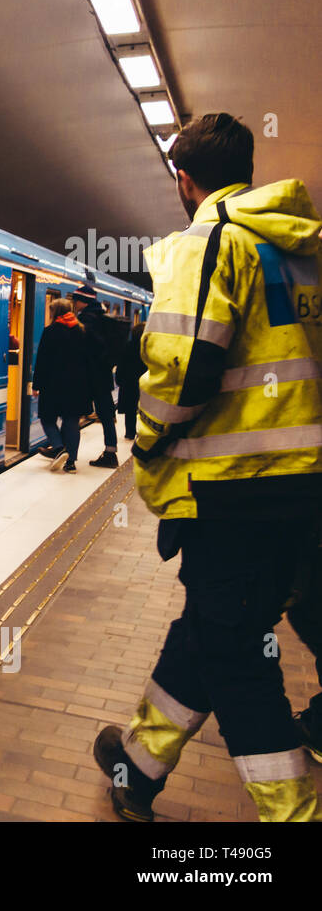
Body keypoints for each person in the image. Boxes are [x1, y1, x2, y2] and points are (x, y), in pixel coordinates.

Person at [92, 113, 322, 822]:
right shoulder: (303, 255)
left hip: (234, 494)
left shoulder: (209, 243)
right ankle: (139, 766)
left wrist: (151, 443)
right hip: (302, 491)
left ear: (183, 181)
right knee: (211, 629)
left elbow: (182, 367)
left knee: (239, 665)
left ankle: (293, 815)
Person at [31, 298, 92, 473]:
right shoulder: (81, 331)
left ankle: (58, 448)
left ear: (55, 312)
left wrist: (36, 385)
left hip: (53, 385)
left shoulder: (50, 331)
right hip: (77, 386)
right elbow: (89, 361)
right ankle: (71, 463)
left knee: (47, 419)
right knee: (72, 422)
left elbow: (42, 360)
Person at [71, 284, 119, 467]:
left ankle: (64, 449)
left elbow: (83, 347)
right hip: (103, 375)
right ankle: (110, 452)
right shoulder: (102, 317)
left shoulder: (86, 319)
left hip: (89, 376)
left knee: (72, 412)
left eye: (75, 300)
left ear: (82, 301)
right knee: (106, 416)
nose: (74, 304)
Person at [114, 321, 146, 440]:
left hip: (129, 383)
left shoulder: (127, 346)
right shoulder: (148, 348)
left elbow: (121, 365)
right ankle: (143, 432)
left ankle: (130, 432)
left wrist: (119, 379)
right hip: (144, 383)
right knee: (144, 409)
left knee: (130, 410)